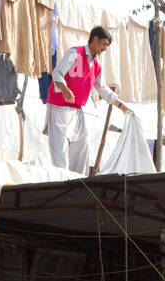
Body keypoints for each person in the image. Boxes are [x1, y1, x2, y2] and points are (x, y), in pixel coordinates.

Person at [45, 25, 132, 173]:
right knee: (59, 149)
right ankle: (58, 180)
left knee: (82, 144)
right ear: (95, 40)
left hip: (77, 110)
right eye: (104, 44)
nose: (105, 48)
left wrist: (121, 106)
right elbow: (57, 73)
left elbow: (102, 88)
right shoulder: (75, 53)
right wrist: (65, 89)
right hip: (59, 107)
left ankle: (77, 181)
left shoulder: (96, 65)